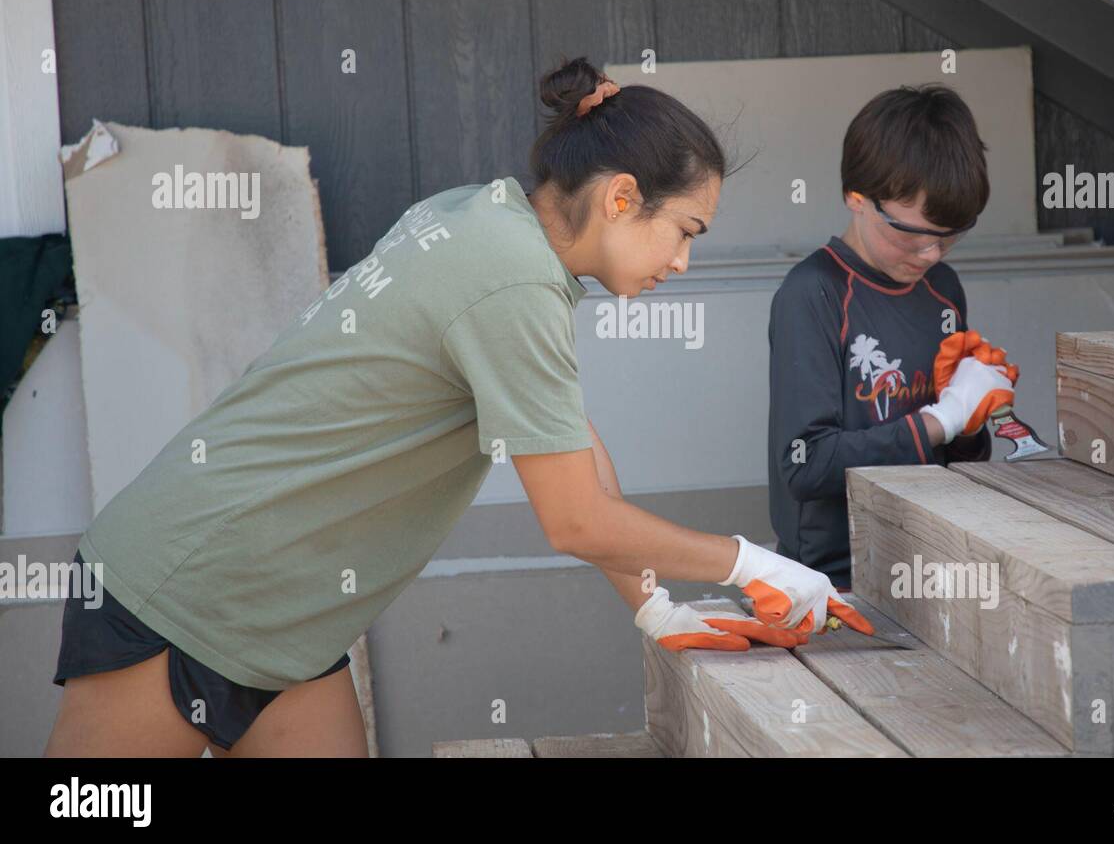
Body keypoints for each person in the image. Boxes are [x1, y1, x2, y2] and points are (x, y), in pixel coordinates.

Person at [44, 57, 873, 758]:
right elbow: (577, 520)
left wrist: (656, 605)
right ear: (622, 198)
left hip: (286, 617)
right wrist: (750, 562)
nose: (686, 262)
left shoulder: (486, 222)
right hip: (187, 589)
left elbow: (576, 451)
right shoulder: (512, 281)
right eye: (686, 230)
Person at [767, 84, 1019, 591]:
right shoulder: (813, 294)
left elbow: (948, 458)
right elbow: (805, 464)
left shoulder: (942, 290)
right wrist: (938, 420)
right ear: (856, 197)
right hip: (832, 583)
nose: (930, 255)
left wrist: (969, 421)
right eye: (910, 233)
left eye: (949, 235)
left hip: (929, 564)